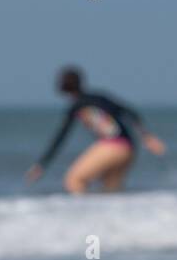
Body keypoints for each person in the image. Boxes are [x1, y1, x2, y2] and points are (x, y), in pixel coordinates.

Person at [25, 67, 165, 193]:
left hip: (112, 145)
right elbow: (130, 112)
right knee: (110, 190)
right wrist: (147, 137)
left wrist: (42, 164)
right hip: (129, 148)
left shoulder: (77, 106)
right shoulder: (99, 97)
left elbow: (60, 138)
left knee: (73, 180)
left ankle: (84, 213)